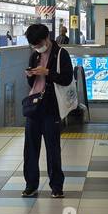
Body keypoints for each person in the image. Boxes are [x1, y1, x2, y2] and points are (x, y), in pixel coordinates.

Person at [21, 22, 73, 198]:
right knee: (30, 149)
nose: (36, 48)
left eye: (38, 44)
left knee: (53, 149)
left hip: (51, 107)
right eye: (33, 46)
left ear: (45, 39)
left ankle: (56, 186)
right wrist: (31, 75)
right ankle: (31, 184)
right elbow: (33, 83)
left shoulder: (61, 54)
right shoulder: (34, 55)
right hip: (34, 106)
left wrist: (47, 72)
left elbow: (66, 79)